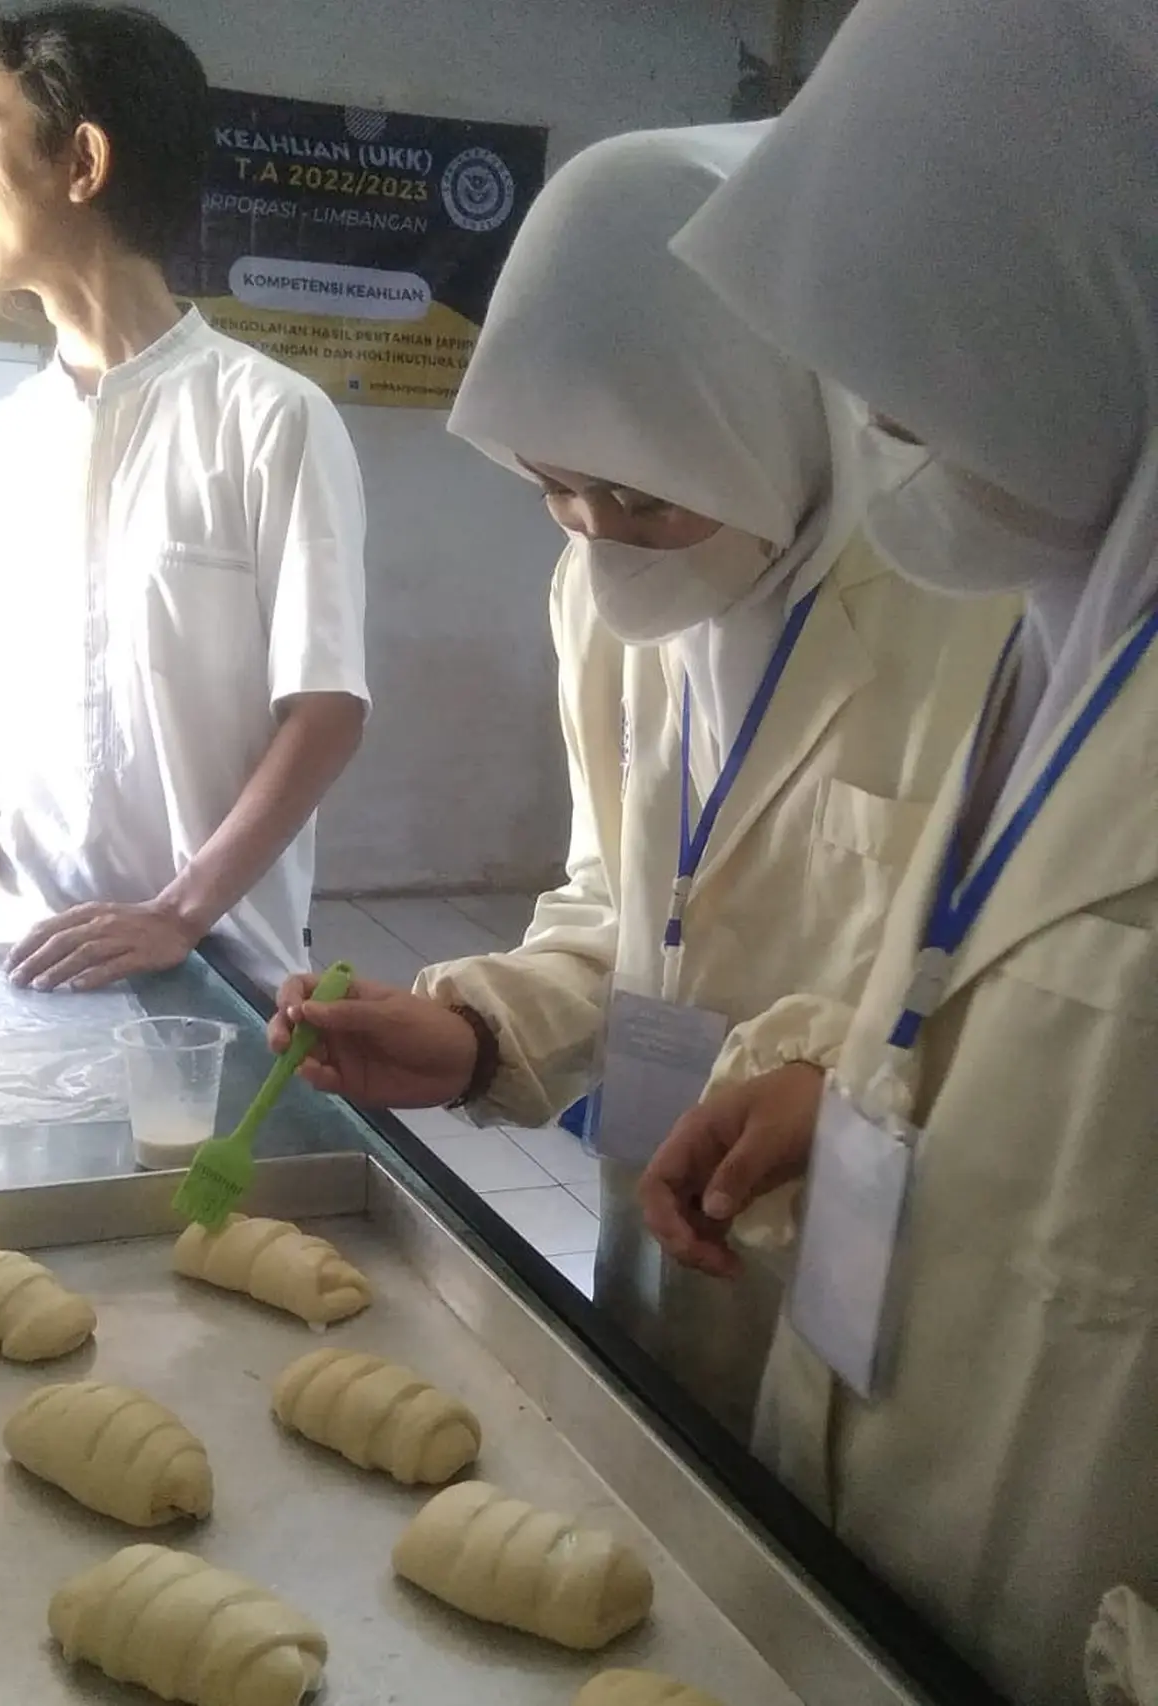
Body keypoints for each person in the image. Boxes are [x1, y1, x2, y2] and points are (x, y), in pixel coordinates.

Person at [268, 124, 1014, 1437]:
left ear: (773, 419)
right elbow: (620, 902)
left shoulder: (974, 622)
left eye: (646, 499)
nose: (604, 546)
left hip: (864, 1280)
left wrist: (838, 1081)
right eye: (556, 489)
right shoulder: (604, 605)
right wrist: (476, 1030)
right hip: (656, 1245)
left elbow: (1028, 1014)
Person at [638, 1, 1158, 1700]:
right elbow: (1000, 1010)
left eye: (919, 371)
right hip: (857, 1534)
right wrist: (843, 1090)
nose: (877, 434)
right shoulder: (1054, 625)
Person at [0, 5, 368, 993]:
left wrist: (176, 913)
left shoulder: (272, 418)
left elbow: (323, 710)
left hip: (217, 967)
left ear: (83, 161)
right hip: (20, 961)